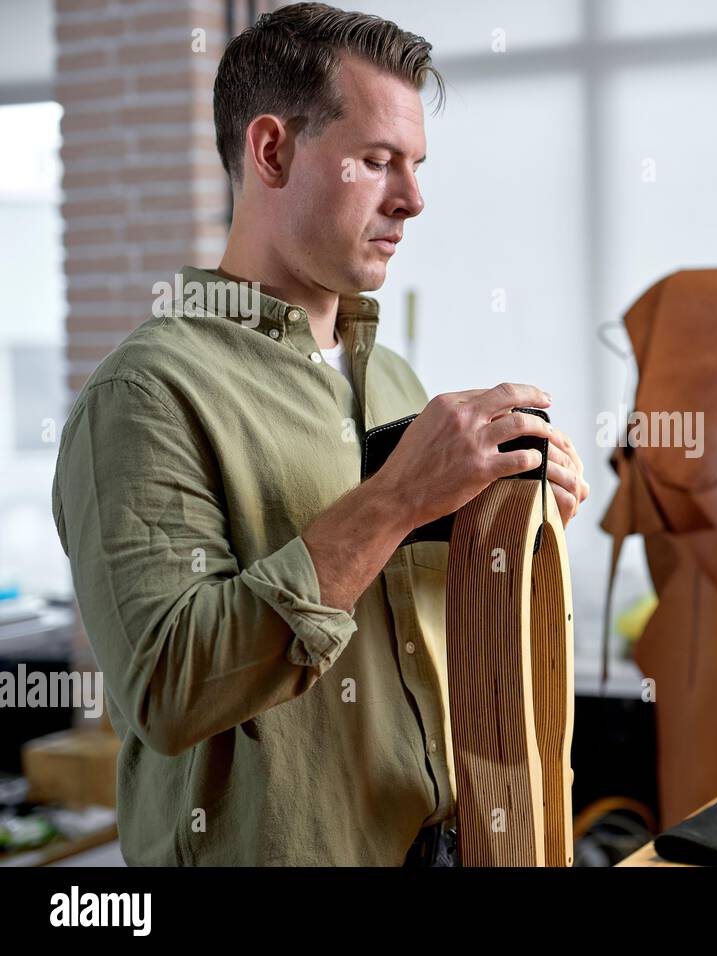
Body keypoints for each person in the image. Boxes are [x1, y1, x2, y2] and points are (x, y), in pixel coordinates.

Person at [50, 2, 589, 866]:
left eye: (414, 165)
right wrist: (395, 501)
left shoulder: (397, 383)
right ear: (272, 151)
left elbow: (411, 630)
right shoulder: (144, 394)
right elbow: (166, 686)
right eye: (377, 162)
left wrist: (515, 531)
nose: (412, 200)